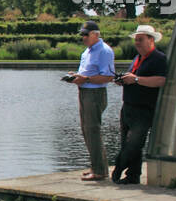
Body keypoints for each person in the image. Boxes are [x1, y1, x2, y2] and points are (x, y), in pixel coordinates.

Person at [110, 24, 168, 184]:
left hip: (144, 109)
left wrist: (135, 79)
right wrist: (124, 81)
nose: (137, 43)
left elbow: (161, 80)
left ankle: (119, 167)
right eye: (136, 40)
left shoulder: (159, 58)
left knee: (134, 143)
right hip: (128, 107)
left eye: (140, 40)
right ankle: (133, 175)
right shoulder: (137, 58)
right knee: (126, 142)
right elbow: (135, 79)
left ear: (151, 40)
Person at [67, 19, 116, 180]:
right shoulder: (87, 51)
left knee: (93, 130)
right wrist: (76, 77)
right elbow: (86, 73)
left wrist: (85, 79)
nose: (84, 38)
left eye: (86, 35)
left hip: (95, 94)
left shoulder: (104, 51)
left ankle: (100, 171)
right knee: (86, 130)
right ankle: (96, 166)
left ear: (95, 34)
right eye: (82, 35)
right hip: (84, 92)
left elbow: (108, 77)